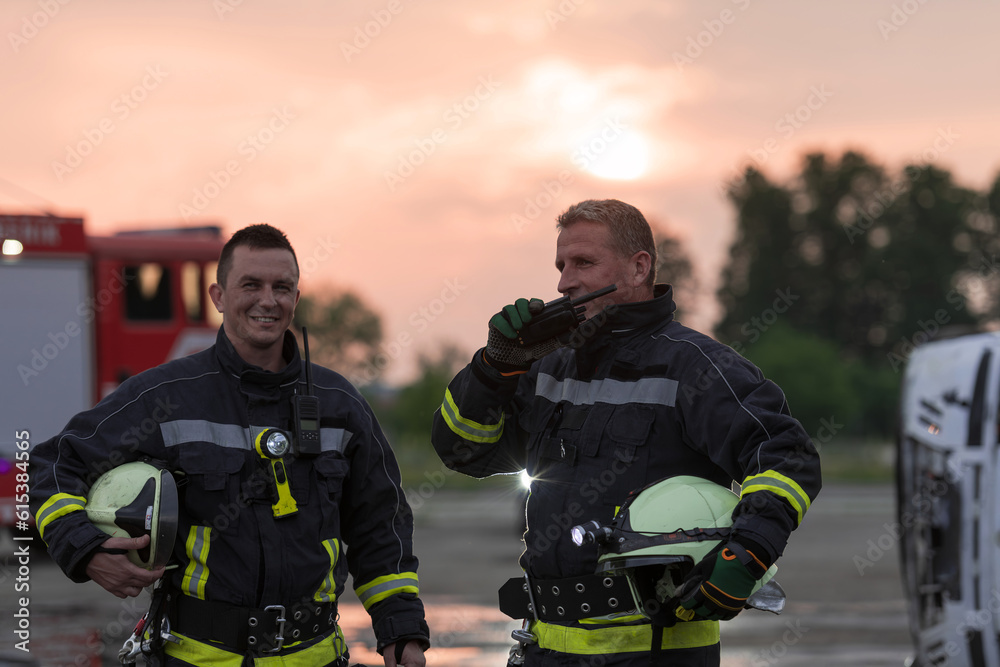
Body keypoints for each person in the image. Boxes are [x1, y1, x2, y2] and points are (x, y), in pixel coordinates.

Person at [430, 199, 821, 666]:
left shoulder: (695, 367)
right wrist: (494, 369)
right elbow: (464, 452)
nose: (564, 282)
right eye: (560, 266)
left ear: (639, 268)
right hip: (544, 651)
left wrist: (749, 552)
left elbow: (786, 455)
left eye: (584, 263)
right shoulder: (548, 368)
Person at [31, 224, 429, 667]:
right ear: (218, 296)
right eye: (251, 285)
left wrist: (401, 633)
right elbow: (51, 465)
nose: (268, 300)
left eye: (282, 287)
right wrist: (85, 550)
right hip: (197, 657)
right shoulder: (167, 396)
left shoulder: (340, 404)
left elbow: (380, 526)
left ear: (296, 299)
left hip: (317, 656)